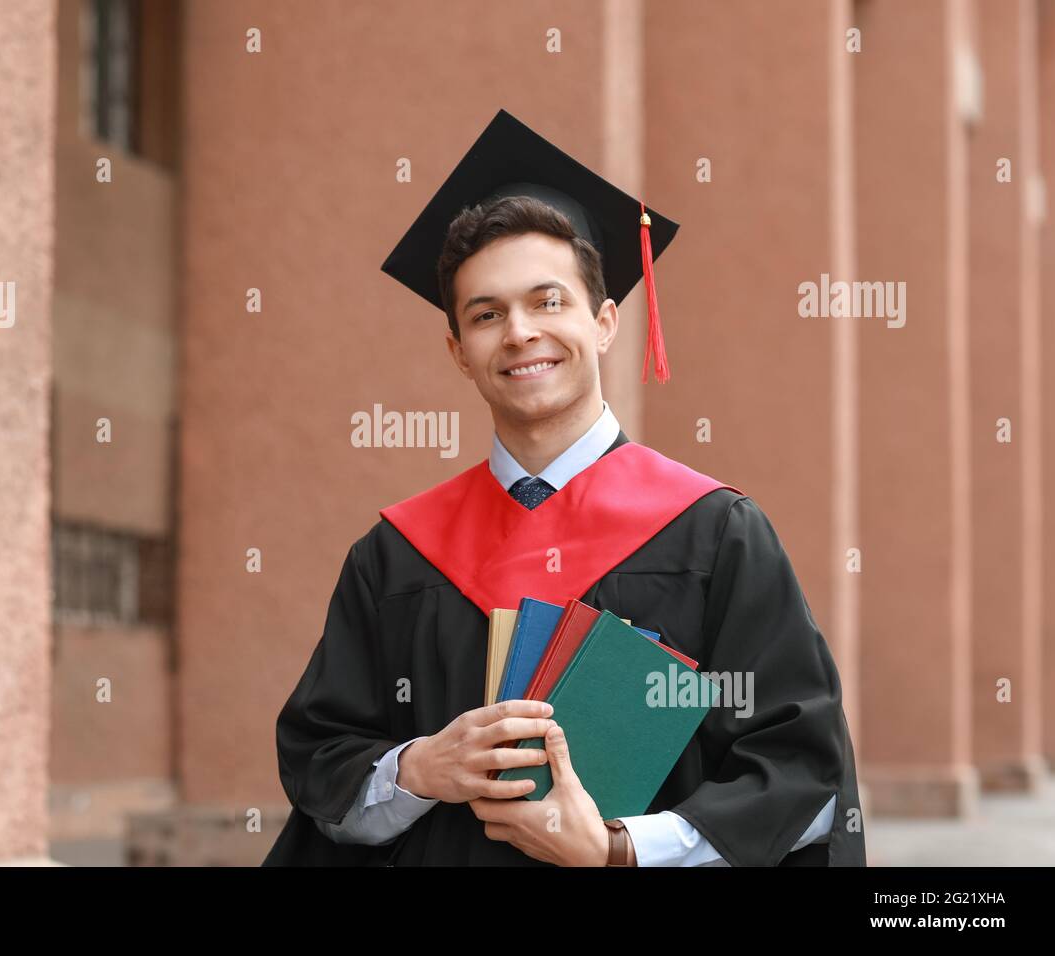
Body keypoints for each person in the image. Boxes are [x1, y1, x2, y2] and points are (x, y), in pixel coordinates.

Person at [262, 109, 865, 867]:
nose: (519, 333)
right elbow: (321, 758)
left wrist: (617, 849)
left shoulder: (716, 536)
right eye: (487, 314)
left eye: (548, 302)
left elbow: (800, 775)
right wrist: (417, 769)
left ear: (605, 321)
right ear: (458, 349)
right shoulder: (395, 557)